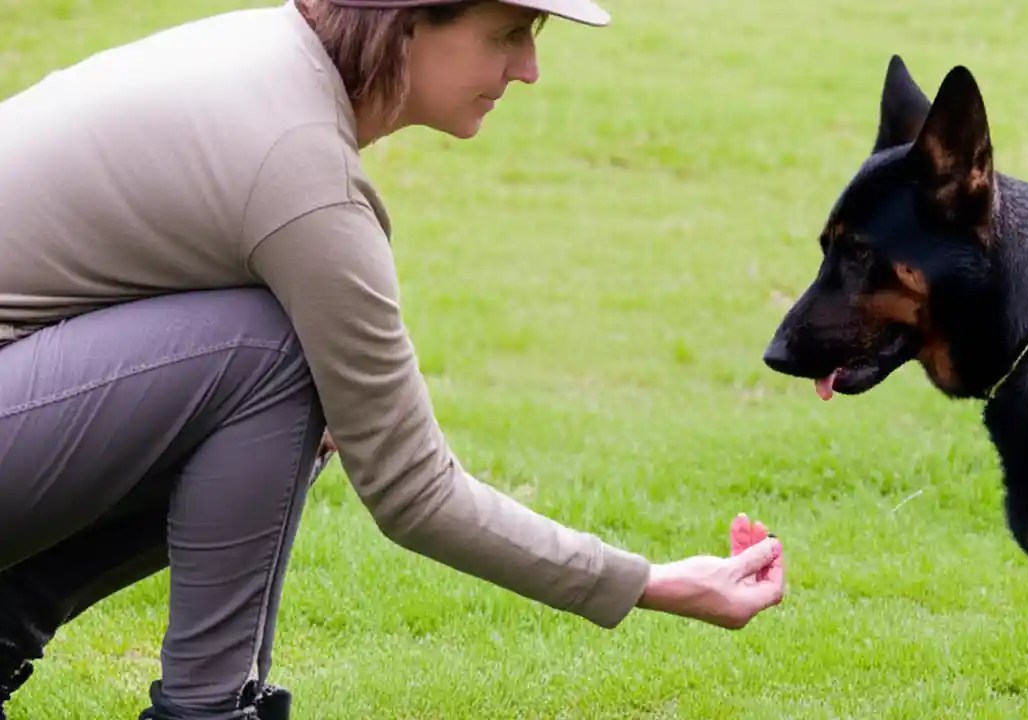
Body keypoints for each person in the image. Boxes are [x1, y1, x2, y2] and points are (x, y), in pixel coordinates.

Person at [0, 1, 787, 718]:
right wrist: (649, 583)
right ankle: (208, 712)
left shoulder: (269, 59)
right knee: (281, 356)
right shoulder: (299, 169)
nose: (529, 70)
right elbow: (412, 490)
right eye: (508, 37)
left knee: (285, 363)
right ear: (409, 25)